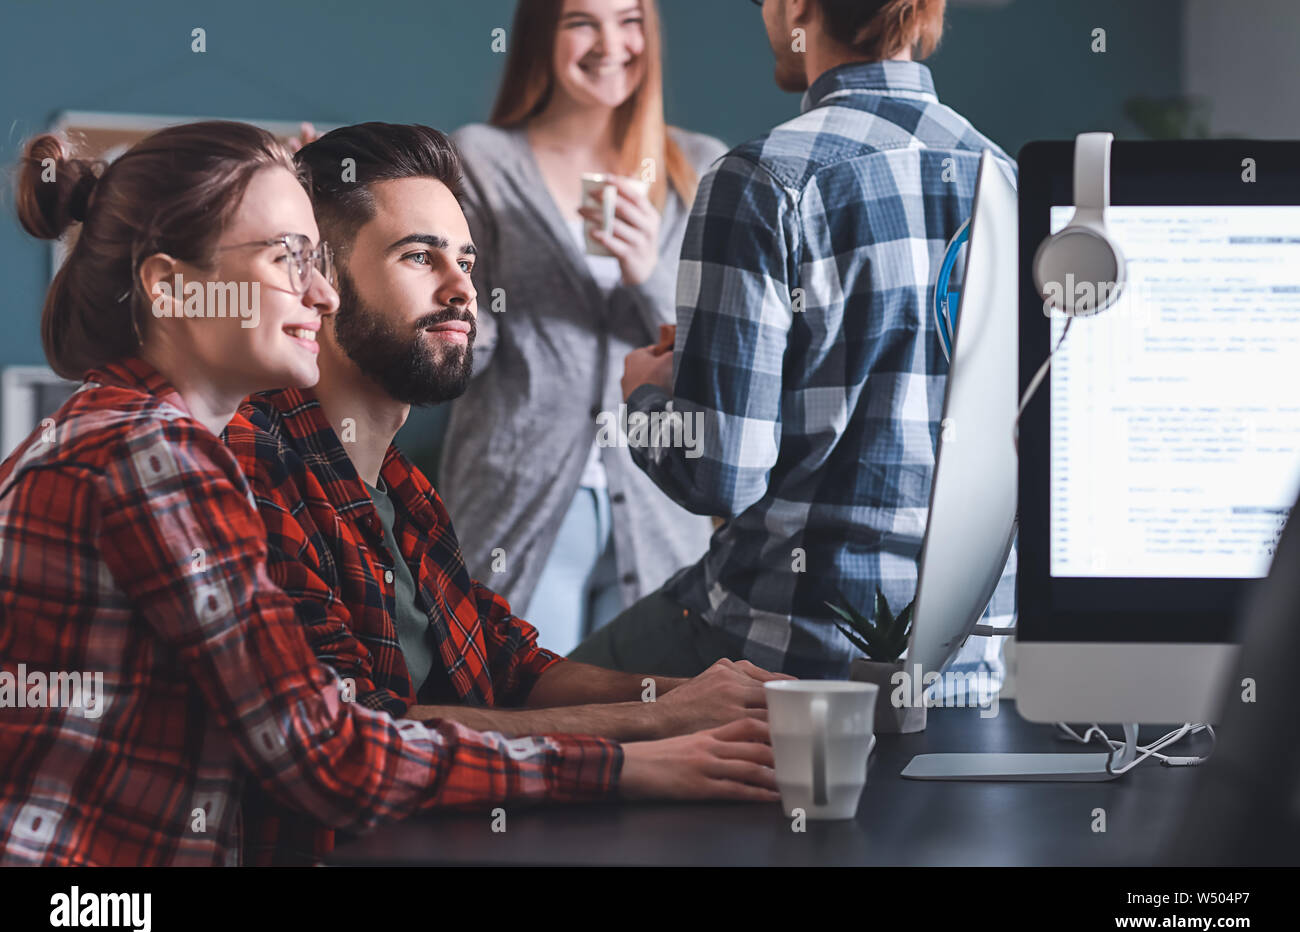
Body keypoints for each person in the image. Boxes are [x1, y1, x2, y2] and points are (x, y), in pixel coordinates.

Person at [0, 122, 777, 867]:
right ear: (170, 288)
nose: (321, 294)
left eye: (468, 261)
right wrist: (637, 752)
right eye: (287, 258)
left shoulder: (367, 479)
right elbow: (329, 748)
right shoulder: (164, 457)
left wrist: (678, 706)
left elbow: (494, 660)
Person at [570, 0, 1018, 679]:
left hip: (779, 644)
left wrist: (646, 398)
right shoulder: (1010, 182)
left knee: (539, 701)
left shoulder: (762, 180)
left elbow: (721, 473)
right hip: (973, 657)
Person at [436, 0, 727, 654]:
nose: (610, 44)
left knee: (646, 725)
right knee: (526, 723)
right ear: (543, 34)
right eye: (580, 22)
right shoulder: (481, 159)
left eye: (628, 20)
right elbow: (466, 353)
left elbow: (717, 357)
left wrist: (647, 274)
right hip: (517, 499)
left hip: (663, 508)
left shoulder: (701, 166)